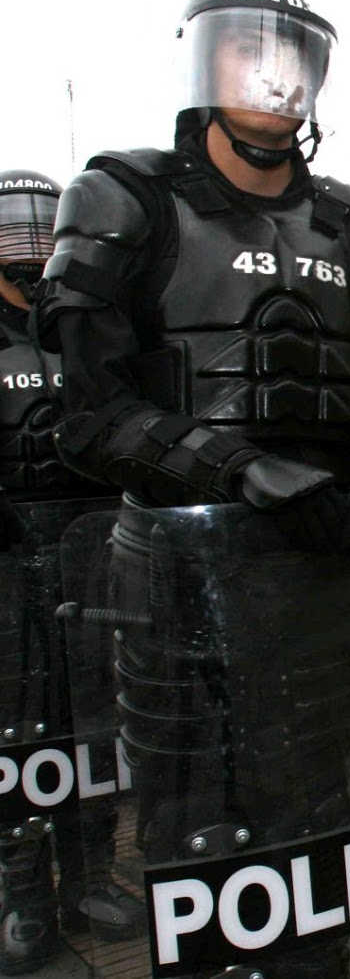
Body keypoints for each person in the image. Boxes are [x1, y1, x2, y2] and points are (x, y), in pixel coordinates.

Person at [34, 0, 350, 979]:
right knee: (192, 823)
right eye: (244, 53)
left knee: (312, 808)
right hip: (177, 569)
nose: (270, 77)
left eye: (291, 58)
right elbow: (85, 413)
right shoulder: (123, 198)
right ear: (201, 65)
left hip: (318, 563)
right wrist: (234, 466)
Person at [0, 170, 124, 973]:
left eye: (45, 228)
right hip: (9, 559)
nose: (32, 244)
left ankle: (92, 876)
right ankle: (21, 894)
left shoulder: (83, 328)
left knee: (96, 721)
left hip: (92, 546)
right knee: (19, 728)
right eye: (16, 229)